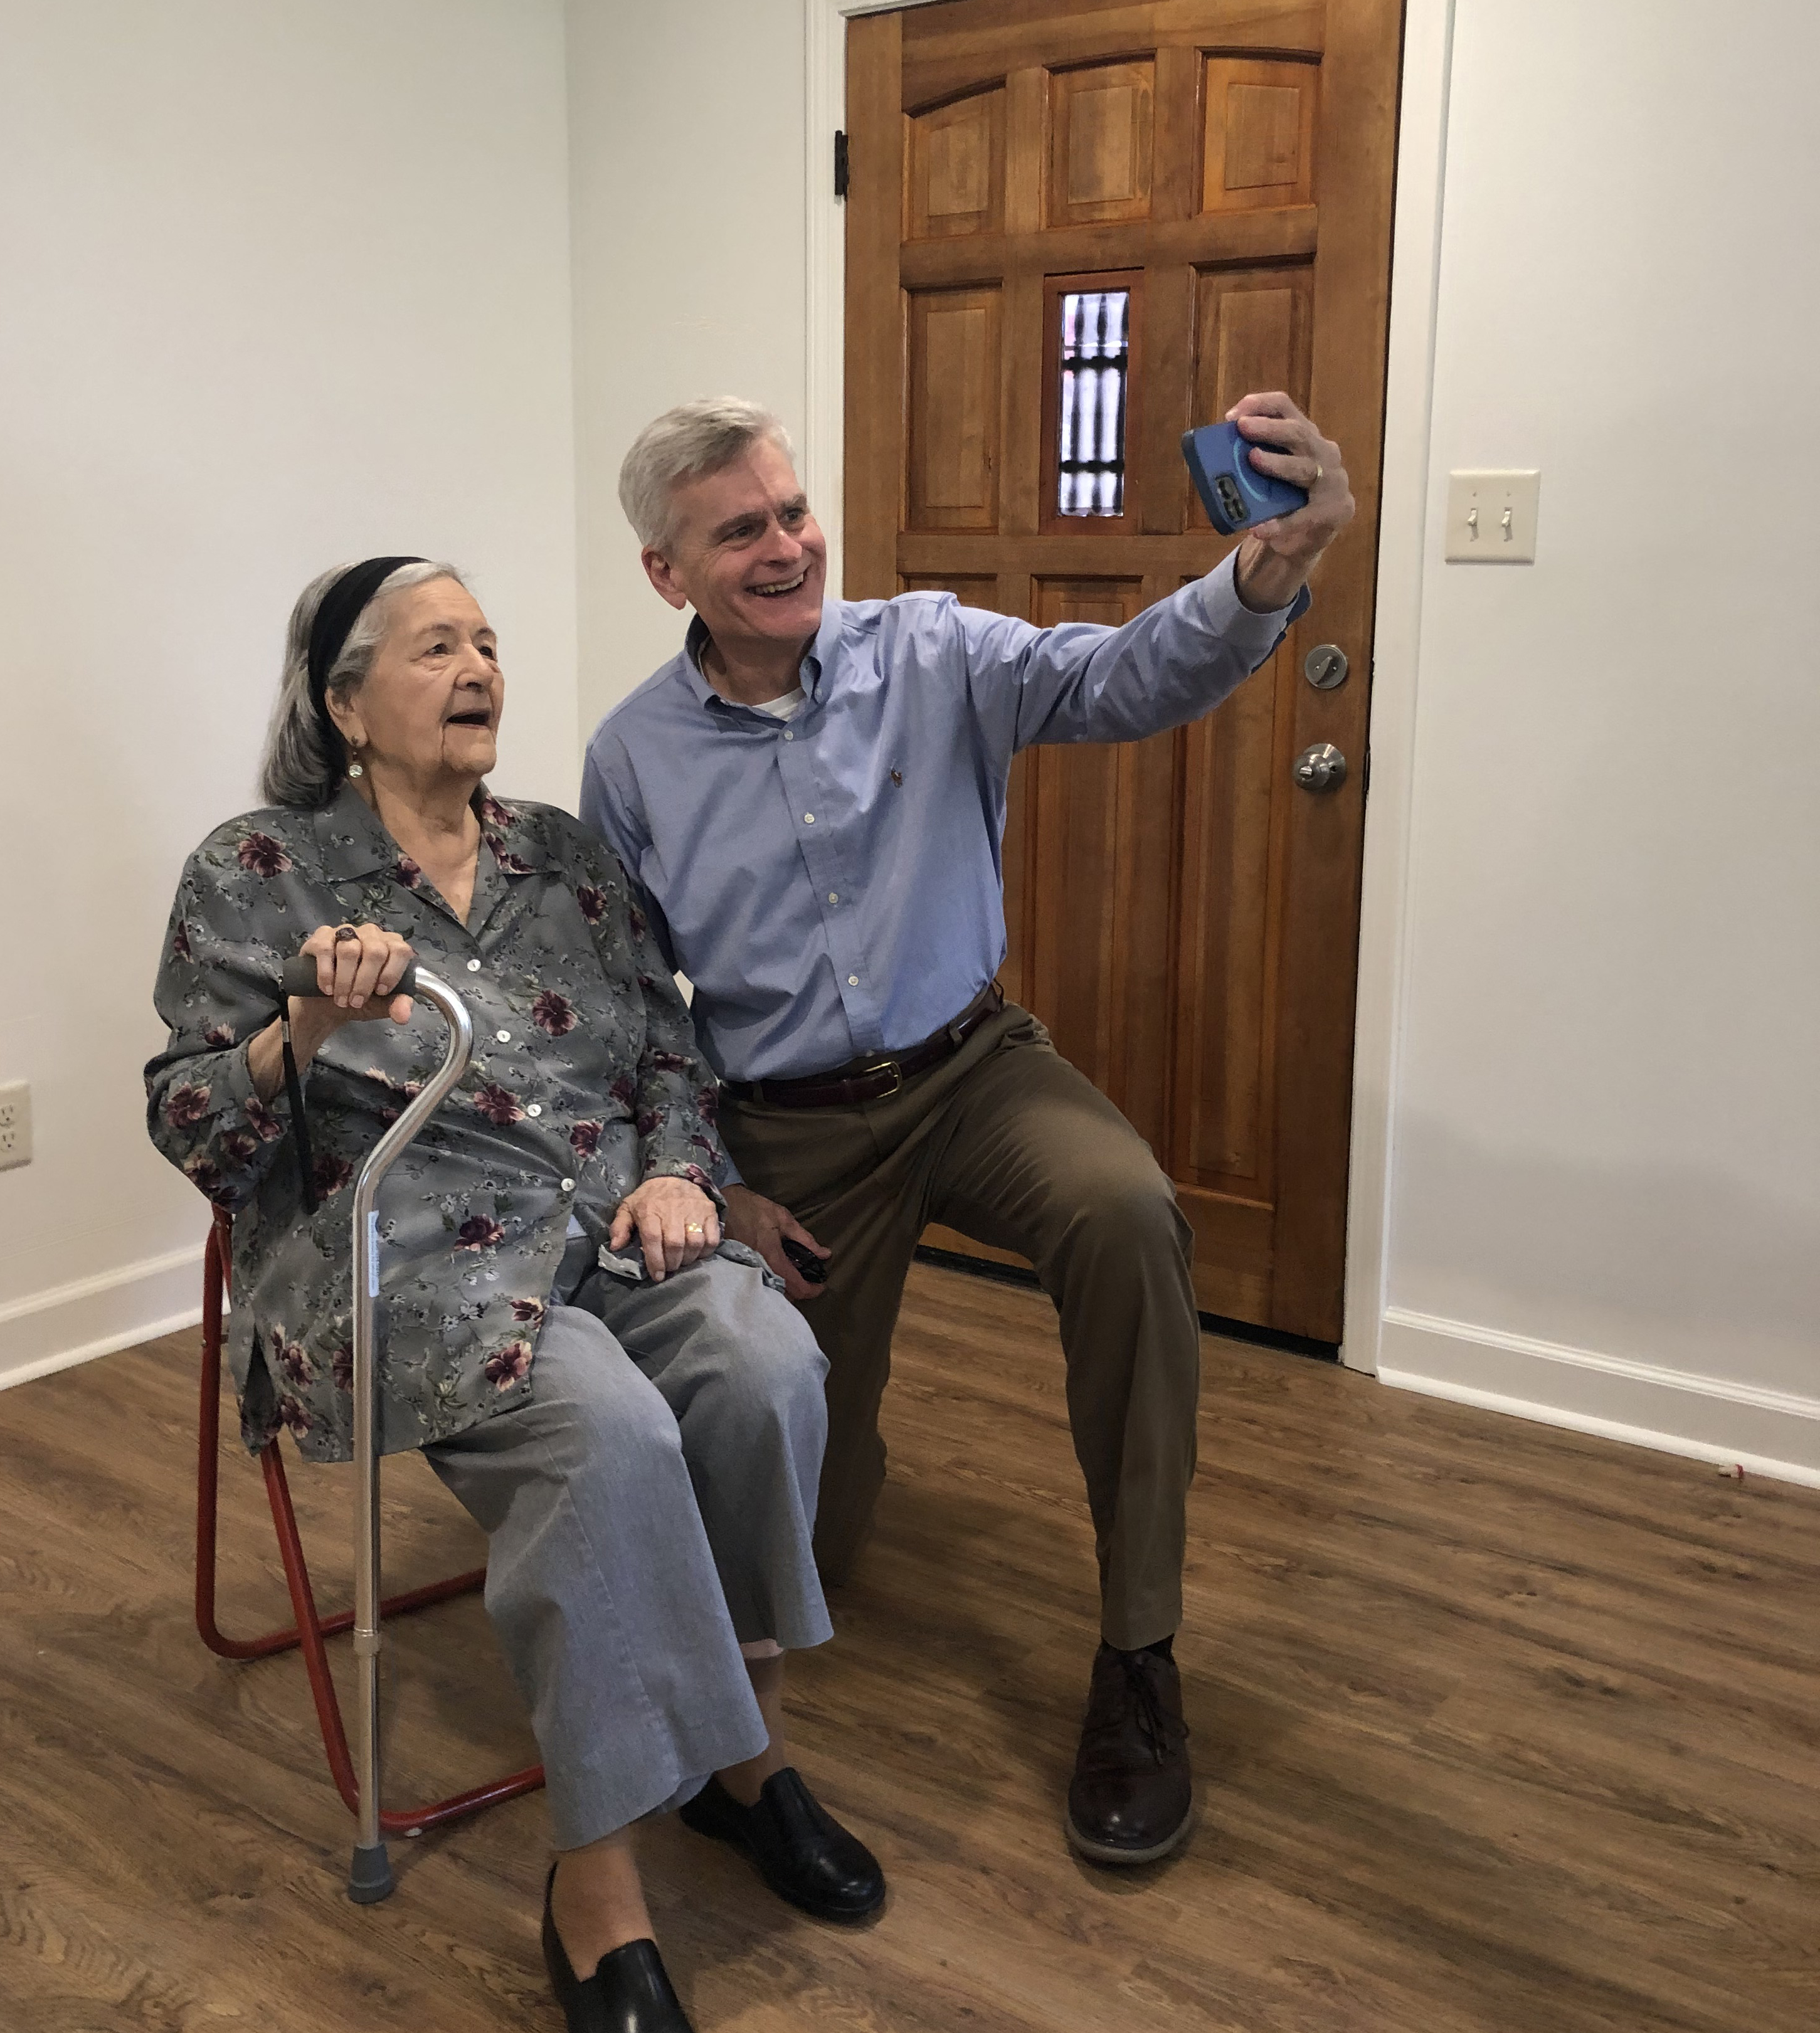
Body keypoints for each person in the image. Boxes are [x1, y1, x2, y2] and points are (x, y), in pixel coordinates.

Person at [147, 555, 882, 2033]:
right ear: (346, 704)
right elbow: (194, 1121)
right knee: (609, 1437)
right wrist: (304, 1028)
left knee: (766, 1369)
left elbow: (670, 1046)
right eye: (434, 647)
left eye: (487, 641)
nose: (479, 665)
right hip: (404, 1260)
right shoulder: (264, 871)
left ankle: (740, 1758)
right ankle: (598, 1895)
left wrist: (686, 1167)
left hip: (615, 1226)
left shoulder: (567, 859)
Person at [580, 394, 1354, 1869]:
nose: (788, 545)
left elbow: (1121, 679)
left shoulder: (929, 650)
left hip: (973, 1066)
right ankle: (742, 1665)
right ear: (666, 574)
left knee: (1127, 1213)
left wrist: (1265, 574)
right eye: (739, 530)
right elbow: (632, 1004)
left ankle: (1140, 1657)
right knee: (809, 1546)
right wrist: (708, 1176)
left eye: (793, 511)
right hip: (789, 1134)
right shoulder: (632, 761)